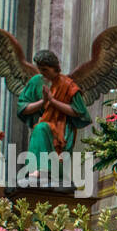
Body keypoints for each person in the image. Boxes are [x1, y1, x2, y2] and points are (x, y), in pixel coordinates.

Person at [16, 49, 91, 186]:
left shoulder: (67, 85)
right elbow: (23, 108)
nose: (41, 73)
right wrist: (43, 102)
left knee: (42, 128)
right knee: (40, 128)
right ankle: (36, 170)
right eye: (40, 69)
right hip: (44, 125)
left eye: (45, 69)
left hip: (61, 129)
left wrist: (53, 101)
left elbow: (79, 111)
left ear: (55, 68)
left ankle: (47, 169)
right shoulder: (36, 81)